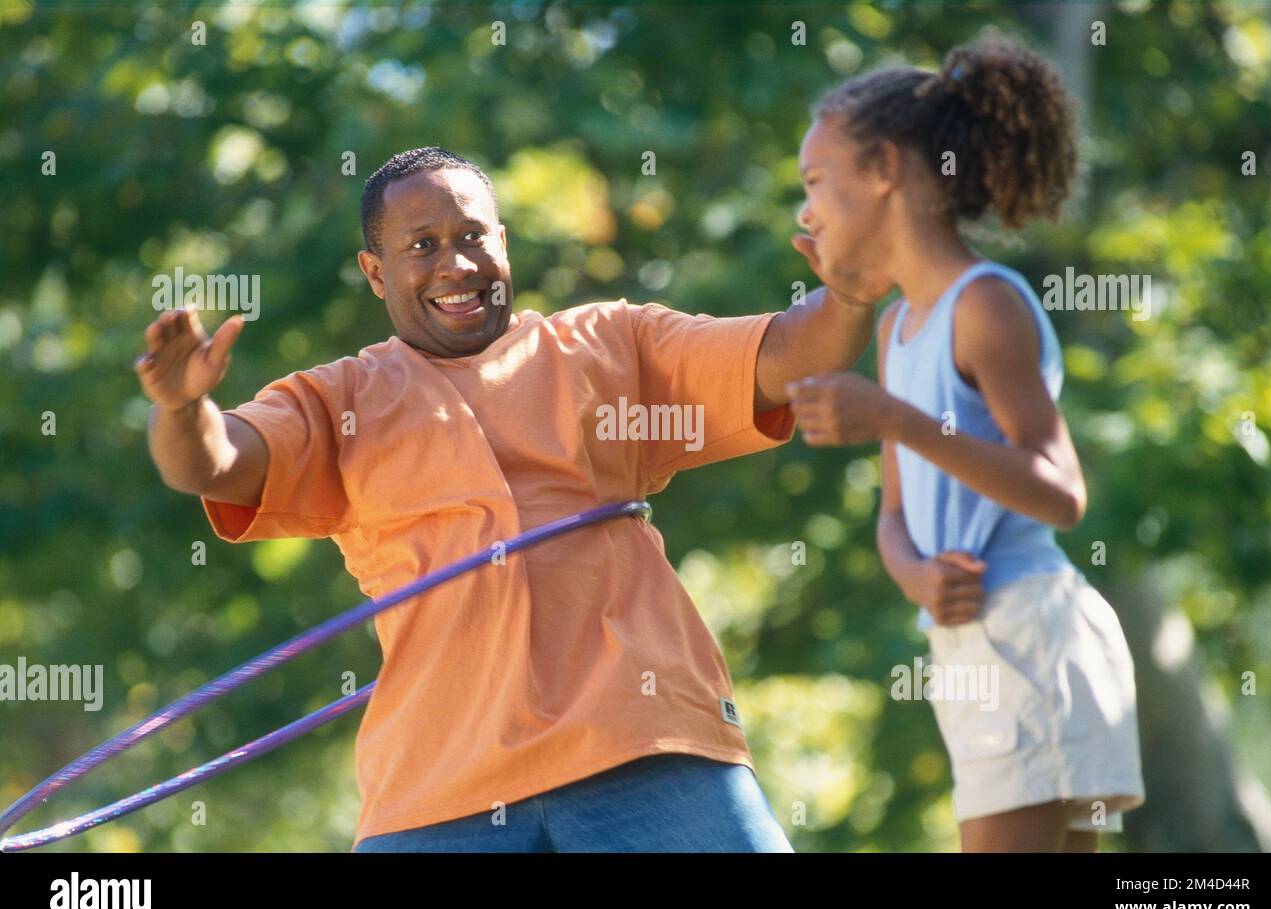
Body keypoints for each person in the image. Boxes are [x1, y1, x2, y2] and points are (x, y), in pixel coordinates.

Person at [134, 146, 879, 852]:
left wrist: (848, 293)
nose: (455, 264)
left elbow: (785, 354)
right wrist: (180, 408)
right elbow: (215, 462)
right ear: (374, 271)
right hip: (437, 781)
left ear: (505, 244)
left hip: (641, 739)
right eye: (421, 245)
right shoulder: (338, 400)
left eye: (472, 237)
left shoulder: (610, 343)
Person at [785, 33, 1145, 852]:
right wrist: (916, 576)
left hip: (1031, 638)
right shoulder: (896, 331)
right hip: (968, 646)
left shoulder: (987, 305)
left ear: (882, 168)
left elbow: (1060, 490)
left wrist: (897, 420)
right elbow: (896, 517)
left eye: (815, 181)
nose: (805, 212)